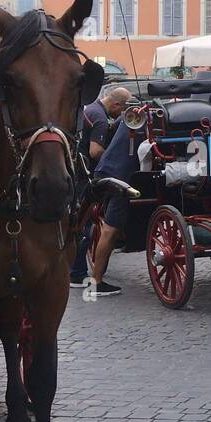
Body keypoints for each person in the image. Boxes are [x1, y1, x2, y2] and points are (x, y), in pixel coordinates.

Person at [70, 87, 131, 288]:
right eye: (122, 109)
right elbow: (95, 151)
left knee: (83, 222)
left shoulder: (91, 110)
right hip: (87, 174)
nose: (122, 114)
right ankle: (79, 274)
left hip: (79, 171)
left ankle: (76, 272)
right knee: (88, 227)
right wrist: (114, 155)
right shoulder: (101, 120)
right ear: (116, 104)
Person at [86, 116, 140, 297]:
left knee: (111, 229)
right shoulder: (140, 117)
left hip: (109, 170)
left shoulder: (127, 117)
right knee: (110, 230)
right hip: (119, 177)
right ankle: (96, 283)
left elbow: (113, 129)